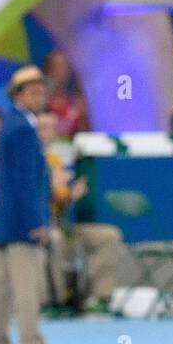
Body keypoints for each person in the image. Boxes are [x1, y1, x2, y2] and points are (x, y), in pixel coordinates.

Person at [0, 66, 62, 344]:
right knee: (28, 286)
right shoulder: (23, 129)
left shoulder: (13, 124)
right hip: (24, 221)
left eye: (42, 91)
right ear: (17, 95)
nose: (39, 97)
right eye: (32, 92)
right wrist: (37, 221)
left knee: (1, 288)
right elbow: (25, 181)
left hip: (8, 220)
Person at [38, 110, 122, 312]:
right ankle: (58, 302)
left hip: (62, 225)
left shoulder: (55, 162)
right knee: (55, 238)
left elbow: (60, 209)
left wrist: (71, 197)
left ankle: (99, 298)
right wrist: (52, 191)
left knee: (108, 235)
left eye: (52, 128)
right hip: (41, 227)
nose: (48, 133)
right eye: (43, 128)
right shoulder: (26, 160)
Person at [42, 51, 88, 138]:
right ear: (47, 71)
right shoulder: (41, 104)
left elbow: (85, 134)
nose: (61, 72)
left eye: (64, 68)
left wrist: (83, 118)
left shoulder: (76, 104)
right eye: (56, 67)